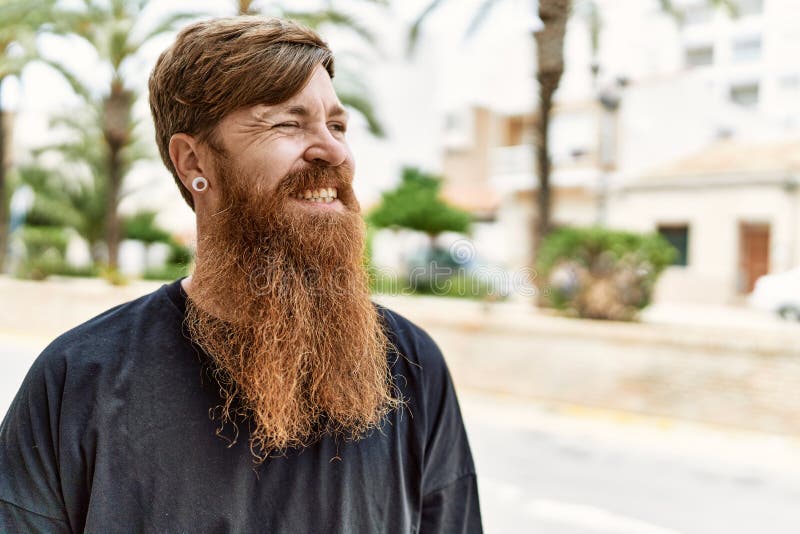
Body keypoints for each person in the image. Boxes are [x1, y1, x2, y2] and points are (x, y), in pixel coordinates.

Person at [0, 16, 483, 533]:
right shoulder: (78, 381)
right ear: (191, 161)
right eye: (287, 124)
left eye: (337, 126)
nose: (335, 151)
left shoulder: (412, 367)